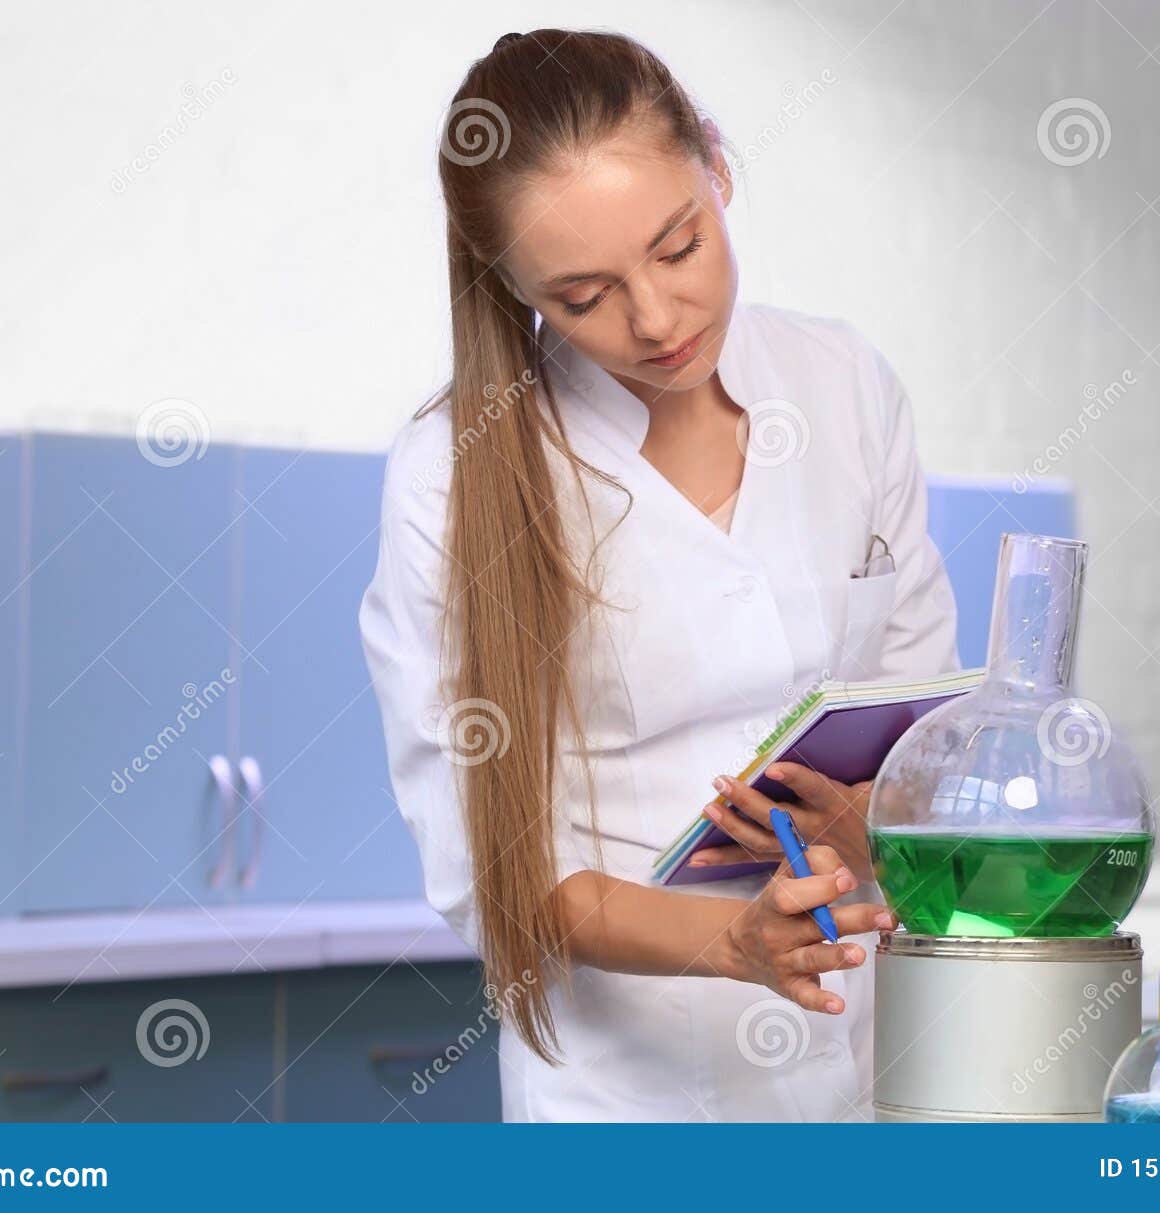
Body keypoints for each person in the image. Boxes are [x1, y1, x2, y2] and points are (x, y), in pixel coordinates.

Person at [359, 28, 960, 1122]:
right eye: (582, 296)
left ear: (716, 168)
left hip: (862, 1079)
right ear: (512, 286)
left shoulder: (844, 385)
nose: (652, 318)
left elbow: (932, 741)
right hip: (626, 1107)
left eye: (678, 247)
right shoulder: (451, 477)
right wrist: (727, 940)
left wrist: (872, 821)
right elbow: (488, 875)